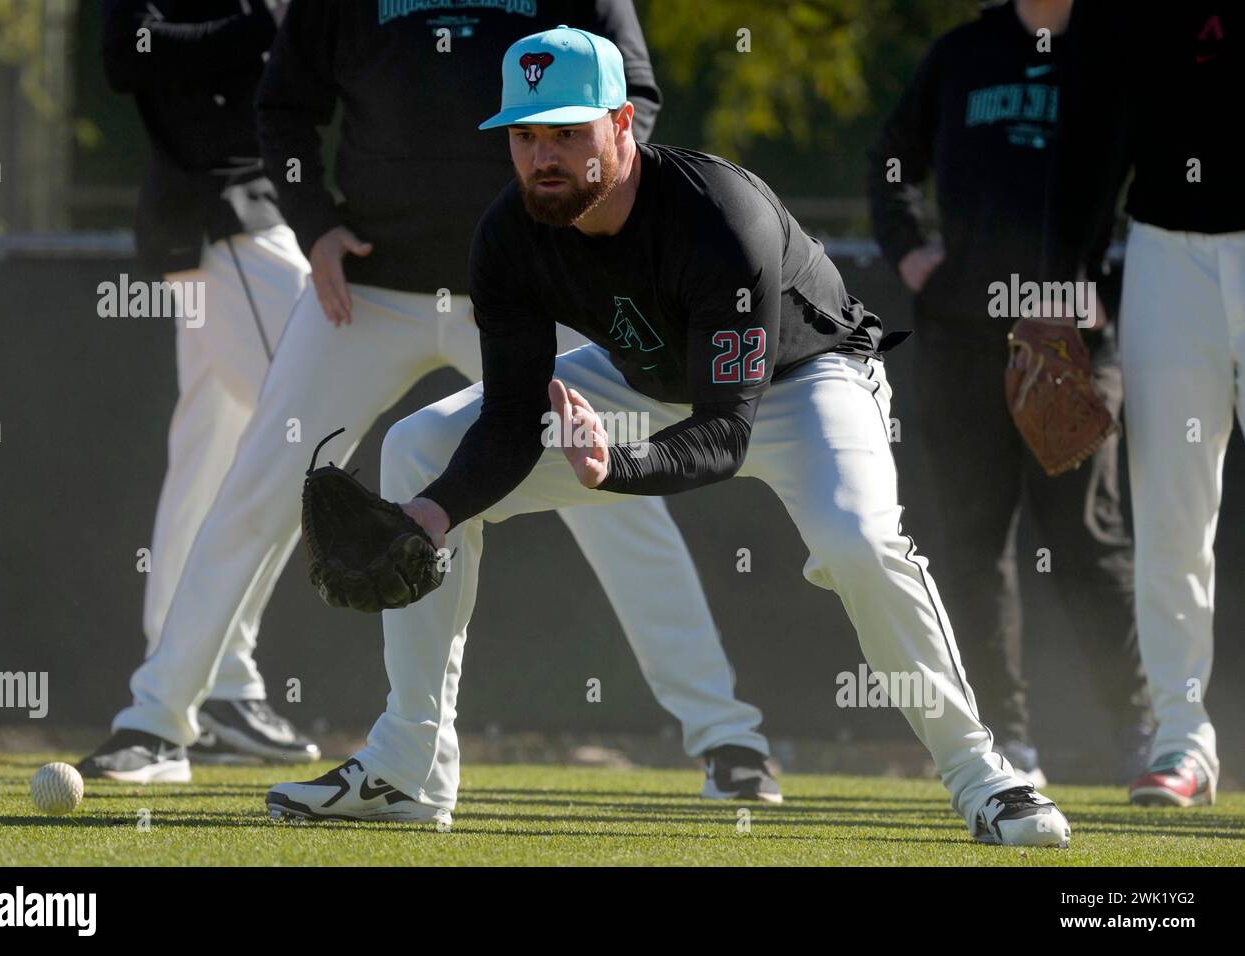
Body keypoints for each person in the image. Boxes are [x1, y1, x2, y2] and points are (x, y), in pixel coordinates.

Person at [267, 26, 1072, 848]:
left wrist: (615, 465)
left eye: (567, 132)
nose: (543, 156)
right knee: (421, 448)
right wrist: (432, 518)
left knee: (858, 542)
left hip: (803, 383)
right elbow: (510, 420)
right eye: (524, 134)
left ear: (622, 125)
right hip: (642, 376)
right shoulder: (510, 234)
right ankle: (407, 767)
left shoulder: (719, 216)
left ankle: (983, 776)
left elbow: (725, 431)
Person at [83, 0, 780, 806]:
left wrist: (584, 231)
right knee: (261, 484)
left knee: (620, 503)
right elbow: (285, 106)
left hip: (527, 281)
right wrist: (313, 225)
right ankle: (156, 722)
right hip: (369, 288)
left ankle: (729, 740)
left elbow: (635, 95)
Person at [867, 0, 1150, 786]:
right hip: (963, 337)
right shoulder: (963, 52)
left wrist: (1110, 291)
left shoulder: (1117, 52)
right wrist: (913, 255)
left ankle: (1141, 733)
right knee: (973, 544)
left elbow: (1167, 192)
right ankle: (1001, 742)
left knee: (1089, 544)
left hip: (1072, 343)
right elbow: (891, 158)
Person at [86, 0, 320, 781]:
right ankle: (201, 687)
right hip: (225, 226)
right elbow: (127, 54)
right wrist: (261, 26)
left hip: (241, 222)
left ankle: (200, 682)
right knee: (311, 437)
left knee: (212, 459)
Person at [1046, 0, 1244, 807]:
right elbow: (1092, 121)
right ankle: (1181, 737)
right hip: (1164, 248)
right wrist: (1067, 274)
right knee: (1169, 510)